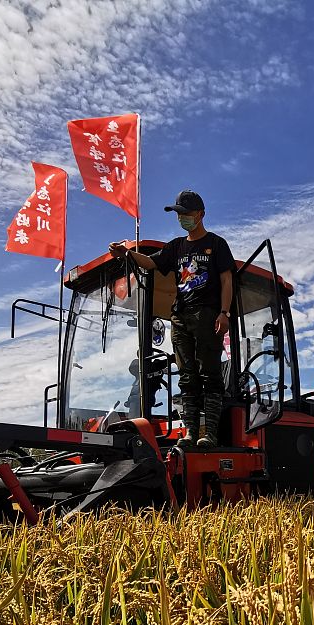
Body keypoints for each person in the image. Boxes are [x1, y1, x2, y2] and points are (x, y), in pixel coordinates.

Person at [111, 190, 234, 450]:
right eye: (179, 214)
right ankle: (190, 432)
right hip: (181, 316)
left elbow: (226, 280)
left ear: (201, 214)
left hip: (208, 314)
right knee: (187, 376)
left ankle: (210, 433)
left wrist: (224, 313)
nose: (182, 218)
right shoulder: (176, 247)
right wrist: (127, 254)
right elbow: (150, 263)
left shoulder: (217, 244)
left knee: (209, 373)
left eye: (186, 213)